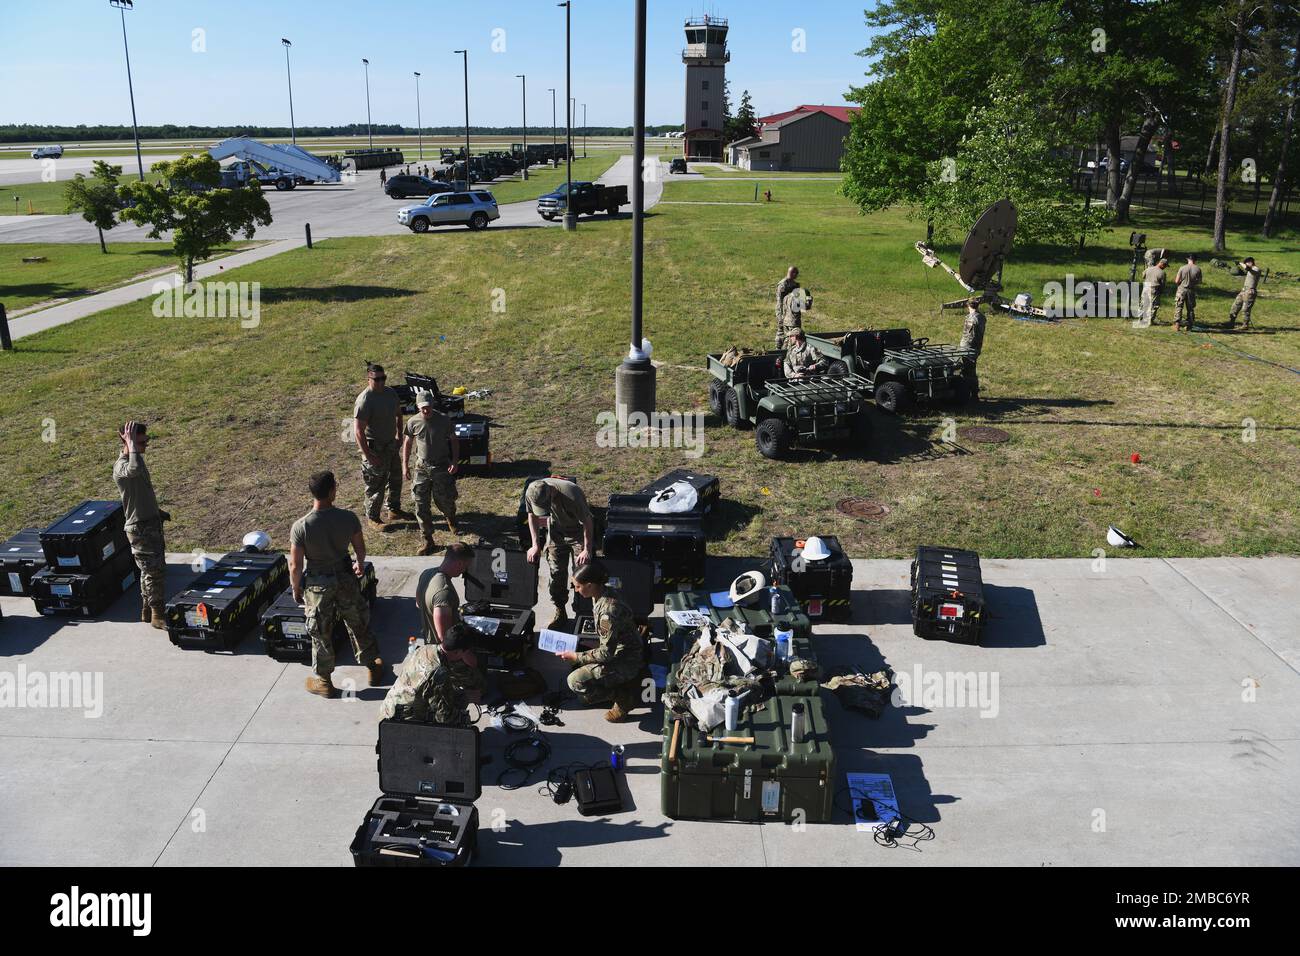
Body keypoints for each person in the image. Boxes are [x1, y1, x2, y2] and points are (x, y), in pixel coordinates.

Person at [289, 470, 384, 698]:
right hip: (345, 579)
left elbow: (295, 565)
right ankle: (372, 667)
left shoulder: (301, 527)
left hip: (317, 586)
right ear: (332, 491)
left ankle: (324, 682)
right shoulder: (348, 518)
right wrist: (359, 564)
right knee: (357, 622)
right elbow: (359, 547)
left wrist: (296, 588)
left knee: (321, 633)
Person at [558, 561, 644, 722]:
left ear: (589, 585)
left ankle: (623, 698)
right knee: (575, 658)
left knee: (575, 681)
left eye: (577, 586)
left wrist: (577, 657)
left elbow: (606, 653)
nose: (575, 590)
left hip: (627, 659)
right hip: (617, 645)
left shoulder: (607, 611)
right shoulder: (603, 593)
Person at [113, 420, 168, 629]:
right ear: (126, 441)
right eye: (141, 442)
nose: (146, 445)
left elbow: (141, 492)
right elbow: (133, 469)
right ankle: (157, 614)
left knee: (151, 570)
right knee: (154, 572)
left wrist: (156, 512)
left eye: (146, 441)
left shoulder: (136, 459)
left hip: (149, 523)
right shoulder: (122, 466)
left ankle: (147, 610)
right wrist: (132, 445)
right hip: (140, 529)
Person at [378, 623, 484, 725]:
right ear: (457, 652)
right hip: (401, 723)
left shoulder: (425, 649)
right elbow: (444, 718)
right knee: (459, 720)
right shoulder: (439, 673)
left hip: (388, 709)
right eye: (467, 652)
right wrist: (467, 697)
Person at [524, 476, 595, 629]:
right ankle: (560, 610)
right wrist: (535, 545)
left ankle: (583, 612)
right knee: (556, 574)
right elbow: (532, 516)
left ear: (551, 492)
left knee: (582, 575)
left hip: (578, 533)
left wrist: (587, 549)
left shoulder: (572, 494)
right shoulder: (531, 491)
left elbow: (588, 522)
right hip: (556, 532)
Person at [353, 363, 412, 530]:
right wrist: (369, 455)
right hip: (374, 448)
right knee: (375, 484)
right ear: (368, 379)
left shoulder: (390, 393)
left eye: (383, 378)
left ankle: (394, 509)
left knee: (395, 479)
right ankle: (373, 517)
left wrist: (399, 435)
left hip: (390, 445)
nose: (380, 382)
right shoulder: (365, 400)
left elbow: (399, 415)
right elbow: (358, 431)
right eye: (376, 379)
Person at [402, 391, 460, 556]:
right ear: (418, 407)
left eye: (428, 407)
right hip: (421, 468)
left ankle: (450, 517)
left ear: (432, 405)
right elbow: (407, 443)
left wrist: (455, 461)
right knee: (420, 504)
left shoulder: (444, 420)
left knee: (446, 499)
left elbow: (454, 440)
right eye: (422, 408)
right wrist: (405, 466)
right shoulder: (413, 422)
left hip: (441, 466)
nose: (425, 411)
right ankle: (427, 539)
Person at [415, 541, 474, 644]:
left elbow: (418, 604)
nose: (464, 571)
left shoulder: (426, 573)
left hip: (428, 641)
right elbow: (445, 638)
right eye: (466, 566)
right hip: (443, 653)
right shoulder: (444, 592)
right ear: (459, 563)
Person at [1228, 256, 1261, 329]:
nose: (1246, 265)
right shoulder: (1250, 270)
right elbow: (1246, 270)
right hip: (1244, 291)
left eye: (1246, 263)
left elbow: (1247, 268)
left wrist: (1240, 263)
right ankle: (1231, 323)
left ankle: (1245, 325)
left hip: (1250, 292)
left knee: (1245, 309)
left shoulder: (1256, 269)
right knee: (1235, 306)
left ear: (1250, 262)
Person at [1174, 254, 1202, 332]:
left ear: (1188, 259)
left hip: (1181, 289)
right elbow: (1199, 282)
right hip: (1191, 290)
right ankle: (1189, 325)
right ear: (1195, 260)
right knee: (1190, 308)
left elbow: (1176, 281)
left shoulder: (1182, 268)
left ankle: (1177, 324)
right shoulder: (1198, 269)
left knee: (1179, 306)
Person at [775, 266, 800, 347]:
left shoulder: (795, 285)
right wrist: (781, 316)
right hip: (783, 312)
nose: (797, 276)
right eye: (796, 273)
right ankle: (779, 350)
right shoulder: (783, 285)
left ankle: (786, 349)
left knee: (791, 334)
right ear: (793, 273)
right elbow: (780, 302)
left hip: (792, 313)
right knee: (781, 333)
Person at [1138, 258, 1167, 327]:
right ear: (1162, 264)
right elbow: (1162, 284)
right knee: (1153, 305)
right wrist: (1161, 291)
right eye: (1165, 266)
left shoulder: (1149, 269)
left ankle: (1140, 318)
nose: (1165, 267)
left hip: (1146, 287)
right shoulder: (1162, 273)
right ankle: (1150, 320)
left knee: (1143, 303)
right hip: (1154, 289)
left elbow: (1143, 276)